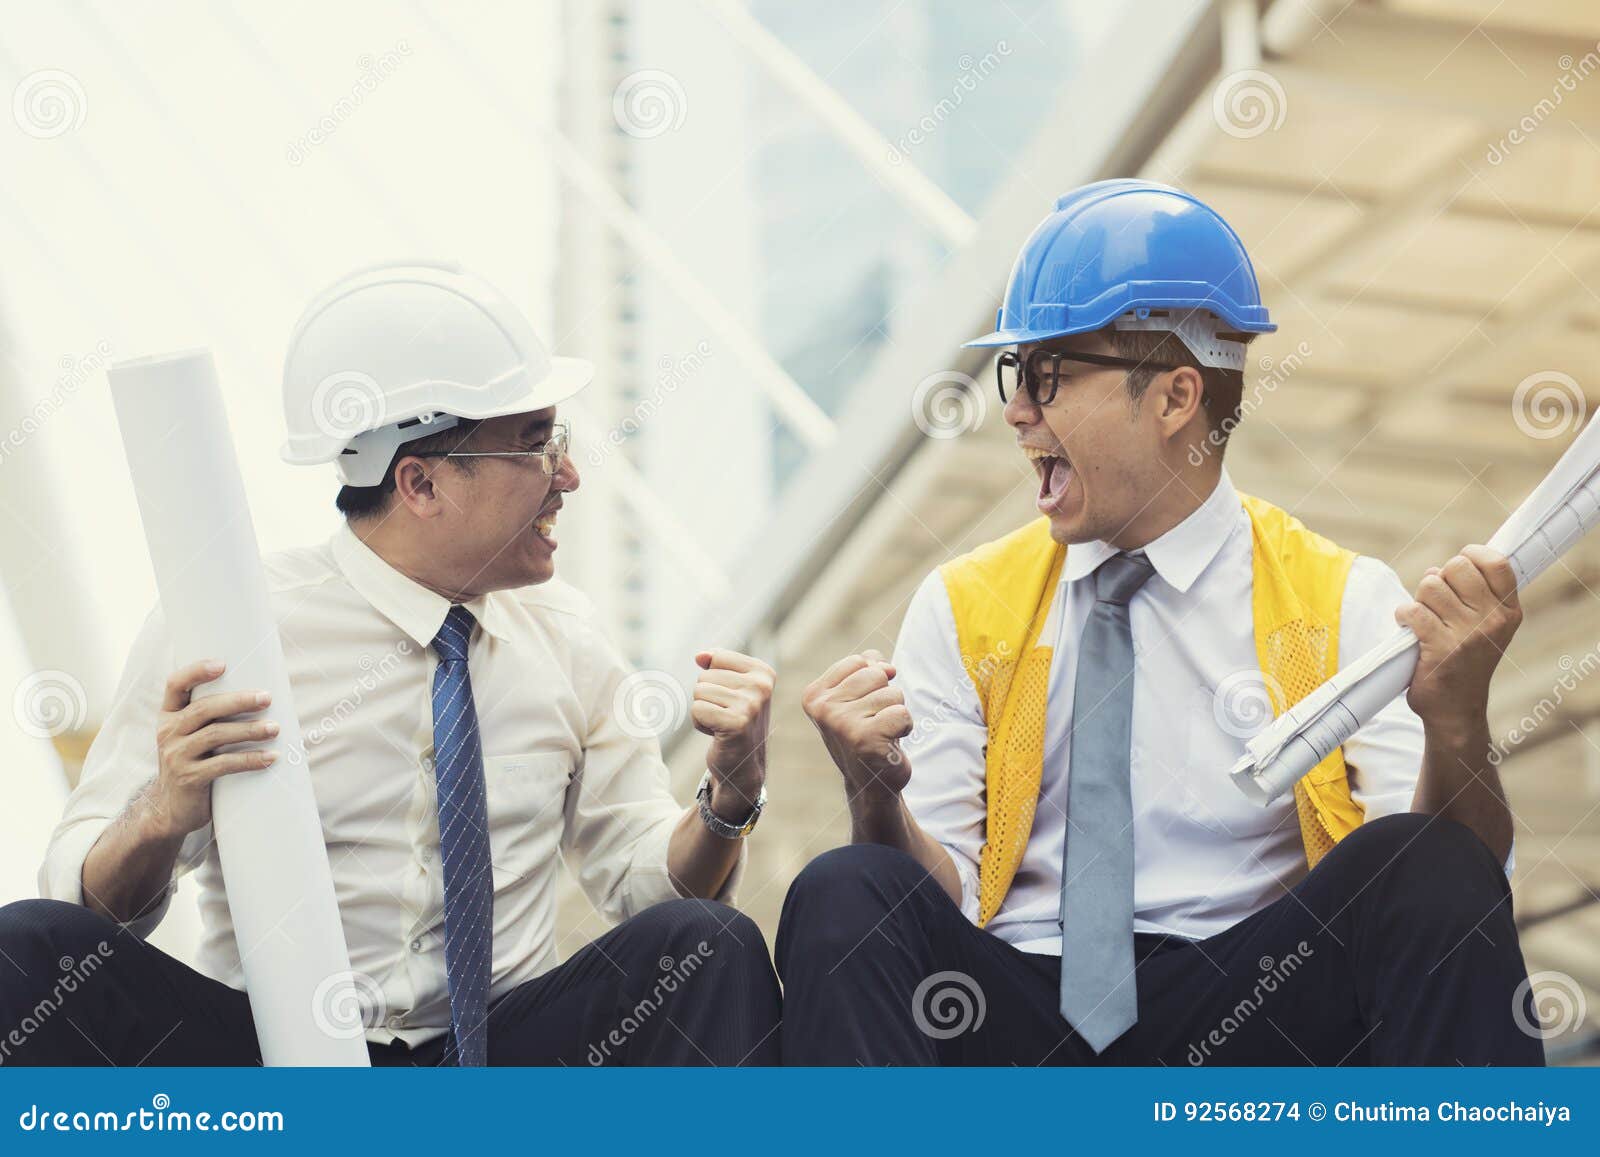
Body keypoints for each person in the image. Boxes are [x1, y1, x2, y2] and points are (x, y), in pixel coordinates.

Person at [778, 180, 1543, 1066]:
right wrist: (876, 792)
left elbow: (1463, 883)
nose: (1017, 409)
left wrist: (1458, 724)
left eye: (1047, 374)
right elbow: (934, 900)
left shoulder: (1344, 600)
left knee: (1425, 857)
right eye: (1014, 374)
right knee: (845, 889)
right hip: (1017, 1011)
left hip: (1255, 1006)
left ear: (1177, 397)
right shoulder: (963, 606)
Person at [0, 263, 780, 1067]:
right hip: (266, 1051)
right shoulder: (230, 629)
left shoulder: (567, 639)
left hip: (498, 1057)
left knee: (707, 943)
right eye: (536, 442)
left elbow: (651, 890)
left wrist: (731, 793)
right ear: (421, 483)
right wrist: (160, 811)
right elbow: (89, 906)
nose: (569, 474)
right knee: (29, 946)